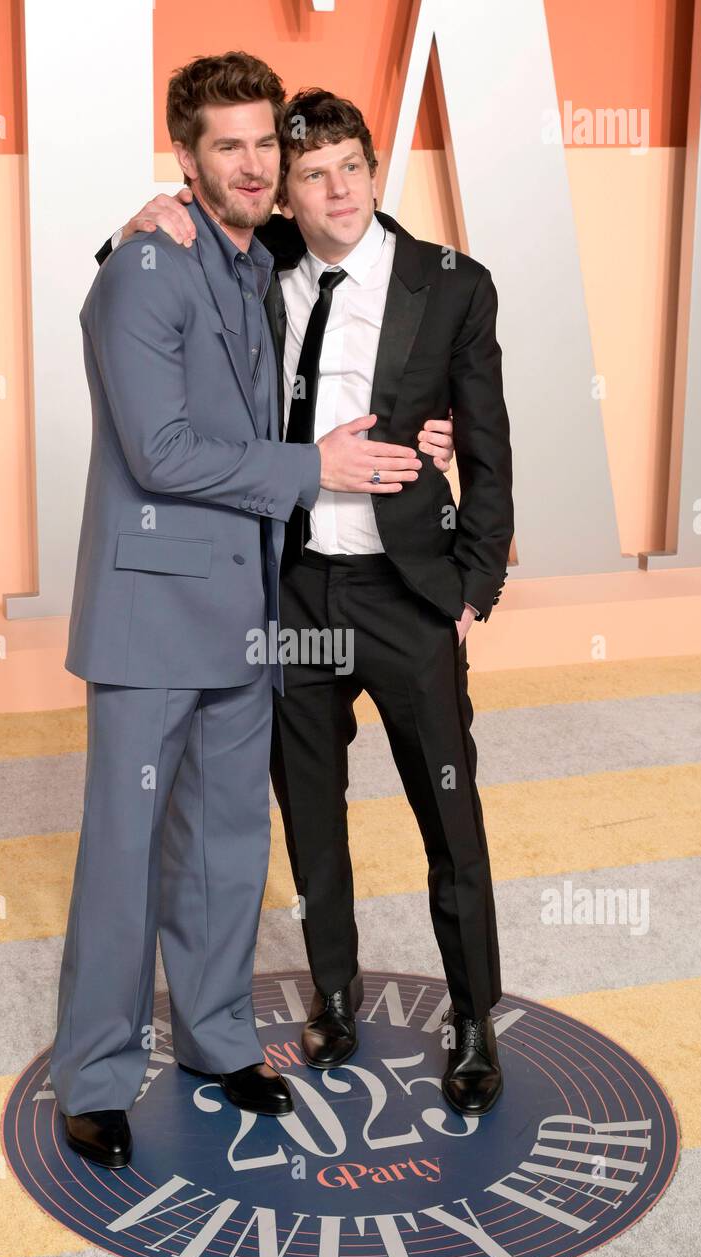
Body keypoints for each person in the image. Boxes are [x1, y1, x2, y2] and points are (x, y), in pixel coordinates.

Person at [102, 84, 515, 1118]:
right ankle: (335, 992)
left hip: (407, 592)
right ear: (284, 192)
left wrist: (477, 581)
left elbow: (491, 448)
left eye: (352, 168)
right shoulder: (260, 264)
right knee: (307, 806)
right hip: (292, 586)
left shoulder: (452, 285)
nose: (335, 189)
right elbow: (167, 267)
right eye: (310, 173)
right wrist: (126, 228)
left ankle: (472, 1020)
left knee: (448, 811)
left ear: (376, 171)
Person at [52, 56, 422, 1169]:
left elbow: (368, 238)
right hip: (151, 612)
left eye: (268, 143)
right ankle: (97, 1073)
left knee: (224, 842)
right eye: (231, 146)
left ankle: (216, 1039)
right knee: (126, 851)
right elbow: (160, 452)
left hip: (240, 608)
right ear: (187, 155)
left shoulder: (255, 256)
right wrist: (314, 468)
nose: (258, 164)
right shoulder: (148, 270)